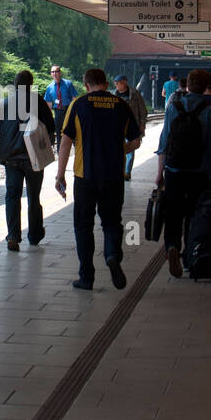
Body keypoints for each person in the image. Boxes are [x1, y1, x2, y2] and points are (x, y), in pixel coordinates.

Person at [54, 69, 142, 290]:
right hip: (113, 176)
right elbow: (136, 141)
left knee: (83, 226)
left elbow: (65, 143)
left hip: (85, 176)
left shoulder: (78, 104)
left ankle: (87, 277)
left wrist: (60, 174)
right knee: (112, 222)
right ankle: (112, 255)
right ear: (105, 83)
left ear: (86, 85)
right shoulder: (121, 105)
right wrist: (122, 150)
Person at [156, 69, 211, 278]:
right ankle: (188, 257)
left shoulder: (173, 106)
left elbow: (164, 141)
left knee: (173, 212)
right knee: (194, 215)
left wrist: (160, 173)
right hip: (200, 172)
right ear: (206, 87)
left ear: (188, 86)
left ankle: (171, 246)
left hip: (174, 170)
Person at [0, 70, 56, 251]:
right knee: (33, 197)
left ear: (15, 84)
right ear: (31, 84)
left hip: (11, 158)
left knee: (12, 196)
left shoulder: (5, 103)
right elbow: (51, 128)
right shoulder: (39, 102)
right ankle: (34, 235)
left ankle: (13, 236)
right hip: (34, 158)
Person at [114, 73, 148, 180]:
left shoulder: (135, 94)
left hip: (131, 126)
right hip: (118, 126)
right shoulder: (114, 95)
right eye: (115, 83)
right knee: (118, 148)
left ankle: (127, 172)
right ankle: (120, 170)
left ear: (124, 82)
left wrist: (142, 124)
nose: (116, 85)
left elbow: (143, 110)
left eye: (118, 83)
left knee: (130, 150)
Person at [43, 65, 78, 134]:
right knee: (58, 133)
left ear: (60, 73)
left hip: (68, 111)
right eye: (52, 72)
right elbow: (49, 104)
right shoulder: (49, 87)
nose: (54, 73)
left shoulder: (68, 84)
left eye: (56, 71)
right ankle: (59, 145)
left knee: (72, 132)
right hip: (58, 112)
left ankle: (75, 144)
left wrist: (76, 113)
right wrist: (48, 117)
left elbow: (74, 99)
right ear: (50, 74)